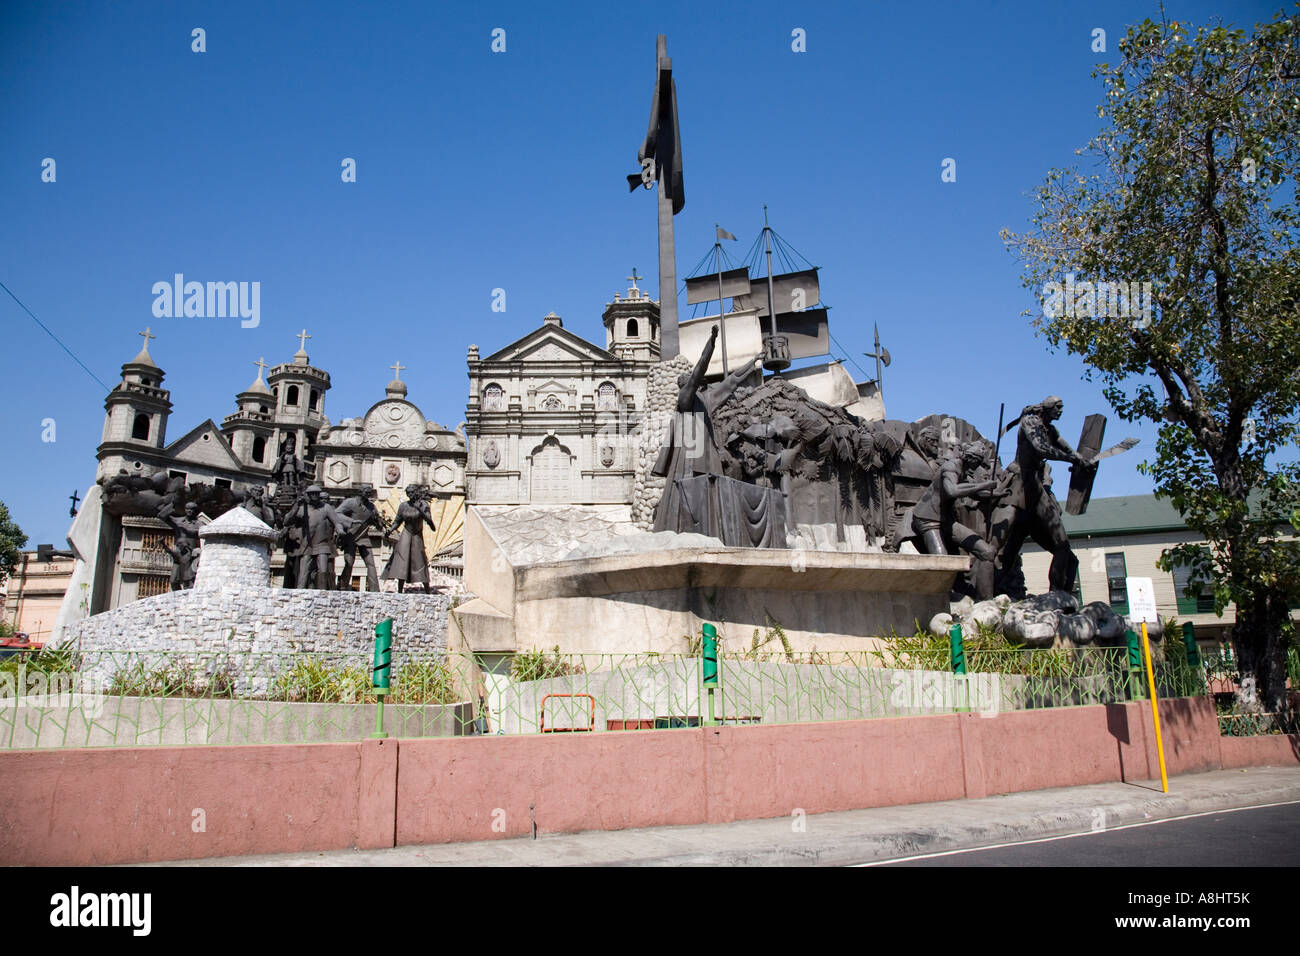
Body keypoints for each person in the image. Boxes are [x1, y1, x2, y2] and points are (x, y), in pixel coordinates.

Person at [1000, 396, 1092, 593]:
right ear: (1048, 408)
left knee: (1060, 549)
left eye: (1061, 407)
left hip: (1034, 487)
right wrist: (1071, 459)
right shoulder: (1030, 422)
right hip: (1024, 485)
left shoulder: (1049, 427)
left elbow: (1061, 443)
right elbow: (1041, 447)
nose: (1061, 411)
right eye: (1058, 407)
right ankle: (1056, 593)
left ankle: (1059, 595)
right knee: (1056, 545)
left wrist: (1078, 457)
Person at [286, 485, 347, 589]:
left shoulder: (326, 507)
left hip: (322, 543)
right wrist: (296, 505)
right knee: (304, 570)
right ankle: (300, 592)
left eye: (317, 493)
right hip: (307, 544)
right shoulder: (302, 509)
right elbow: (287, 521)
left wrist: (340, 530)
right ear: (308, 495)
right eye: (312, 493)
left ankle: (322, 592)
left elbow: (336, 521)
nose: (315, 495)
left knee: (323, 569)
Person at [382, 485, 436, 593]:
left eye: (412, 492)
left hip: (417, 534)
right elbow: (398, 521)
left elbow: (429, 520)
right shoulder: (403, 506)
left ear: (416, 492)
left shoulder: (423, 504)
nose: (410, 495)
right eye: (408, 493)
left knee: (420, 559)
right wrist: (390, 530)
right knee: (402, 558)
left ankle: (427, 589)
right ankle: (400, 590)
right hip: (406, 532)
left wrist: (419, 508)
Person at [335, 485, 382, 591]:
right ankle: (342, 586)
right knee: (349, 563)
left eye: (370, 493)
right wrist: (350, 522)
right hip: (351, 536)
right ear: (360, 492)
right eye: (366, 492)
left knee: (371, 564)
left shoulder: (371, 506)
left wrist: (378, 521)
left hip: (364, 537)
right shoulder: (350, 502)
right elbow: (336, 513)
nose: (368, 495)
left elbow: (378, 524)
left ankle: (375, 590)